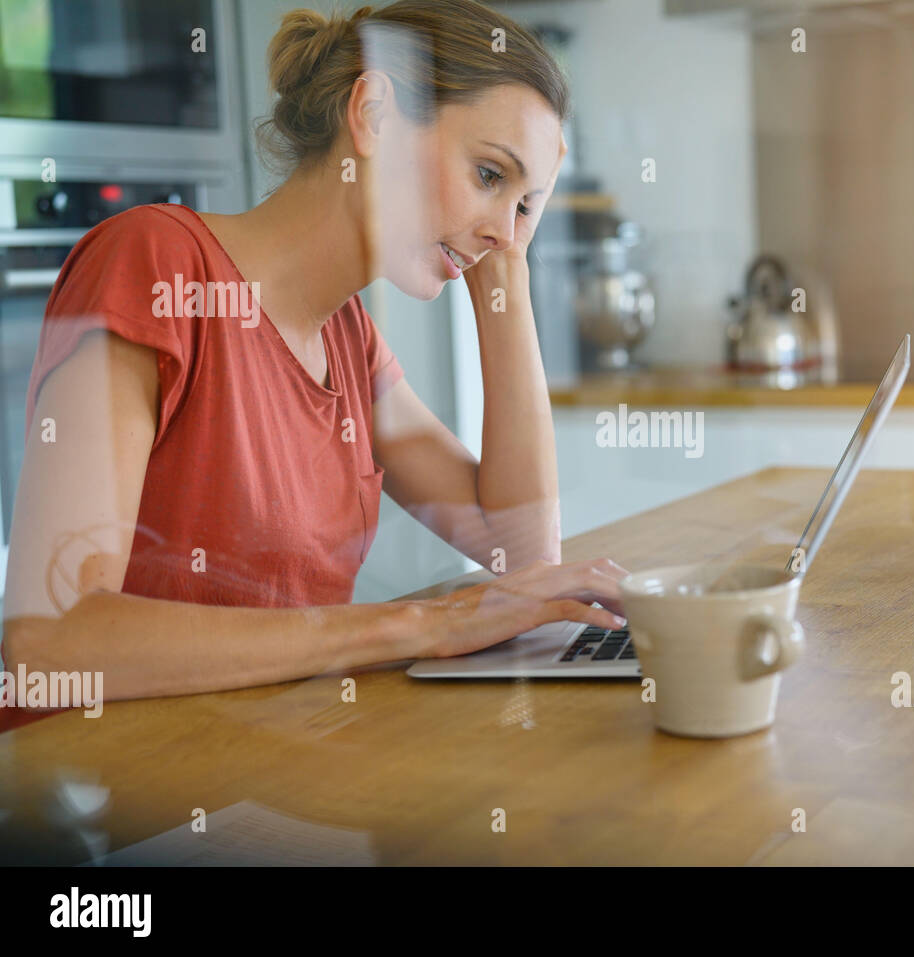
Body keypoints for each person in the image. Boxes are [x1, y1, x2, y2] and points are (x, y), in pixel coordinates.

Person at [1, 0, 628, 702]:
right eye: (488, 174)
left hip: (262, 779)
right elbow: (48, 640)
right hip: (106, 799)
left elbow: (521, 551)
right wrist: (417, 624)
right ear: (375, 116)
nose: (506, 229)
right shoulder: (156, 265)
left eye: (525, 206)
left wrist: (507, 270)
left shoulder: (349, 340)